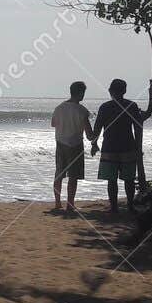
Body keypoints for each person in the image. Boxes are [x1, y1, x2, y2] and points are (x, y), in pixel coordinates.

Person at [91, 79, 145, 213]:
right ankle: (130, 206)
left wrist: (94, 143)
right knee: (129, 179)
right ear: (124, 91)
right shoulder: (131, 105)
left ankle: (114, 207)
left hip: (109, 146)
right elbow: (137, 128)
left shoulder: (105, 107)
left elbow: (97, 128)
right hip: (128, 146)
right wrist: (138, 147)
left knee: (111, 180)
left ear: (110, 91)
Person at [51, 81, 93, 212]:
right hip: (75, 144)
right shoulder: (82, 110)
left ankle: (58, 203)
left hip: (60, 143)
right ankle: (70, 204)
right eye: (83, 93)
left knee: (59, 173)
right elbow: (89, 134)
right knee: (73, 176)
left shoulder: (59, 108)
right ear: (80, 93)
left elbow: (53, 124)